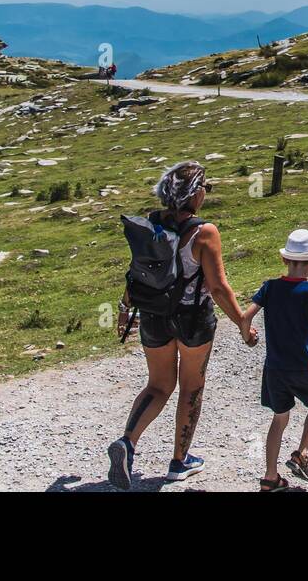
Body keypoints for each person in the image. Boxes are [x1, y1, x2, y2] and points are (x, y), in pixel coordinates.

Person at [109, 162, 255, 490]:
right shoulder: (204, 232)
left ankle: (127, 443)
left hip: (153, 316)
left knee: (158, 385)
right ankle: (179, 461)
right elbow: (218, 288)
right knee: (191, 387)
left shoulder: (151, 222)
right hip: (193, 320)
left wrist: (123, 307)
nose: (206, 192)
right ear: (196, 192)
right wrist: (242, 323)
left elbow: (138, 274)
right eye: (205, 186)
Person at [238, 229, 308, 492]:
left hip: (275, 368)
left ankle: (270, 478)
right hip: (304, 365)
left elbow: (246, 317)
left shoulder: (269, 287)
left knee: (279, 419)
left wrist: (248, 337)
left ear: (285, 260)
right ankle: (301, 452)